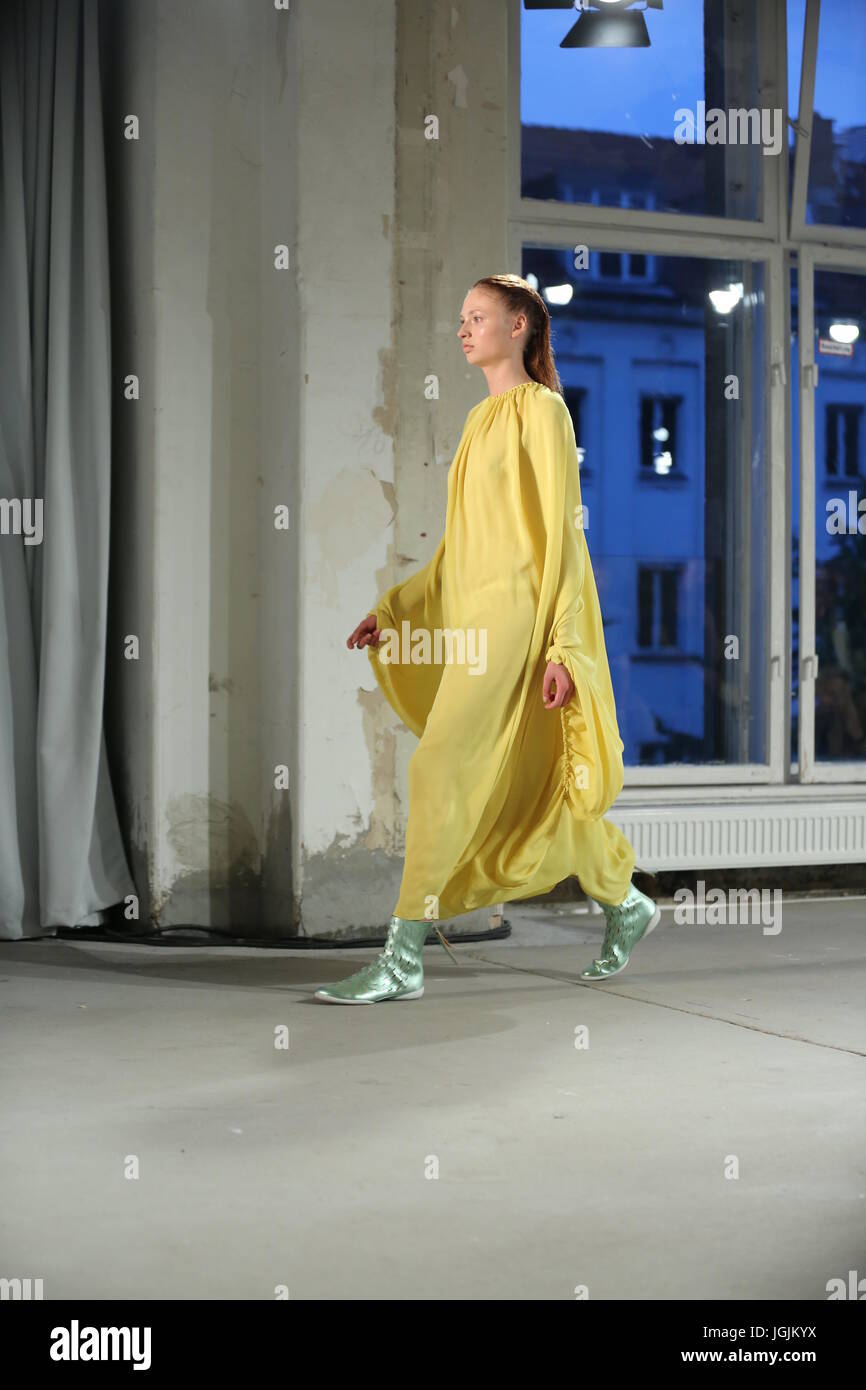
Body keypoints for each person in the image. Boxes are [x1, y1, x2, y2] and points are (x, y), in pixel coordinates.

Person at [315, 273, 658, 1004]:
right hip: (474, 624)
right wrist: (396, 610)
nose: (464, 329)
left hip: (521, 624)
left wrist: (562, 645)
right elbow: (457, 551)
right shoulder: (478, 422)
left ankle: (402, 958)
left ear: (519, 326)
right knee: (527, 782)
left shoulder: (545, 412)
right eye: (462, 318)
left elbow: (563, 537)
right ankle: (625, 899)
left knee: (437, 768)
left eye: (478, 317)